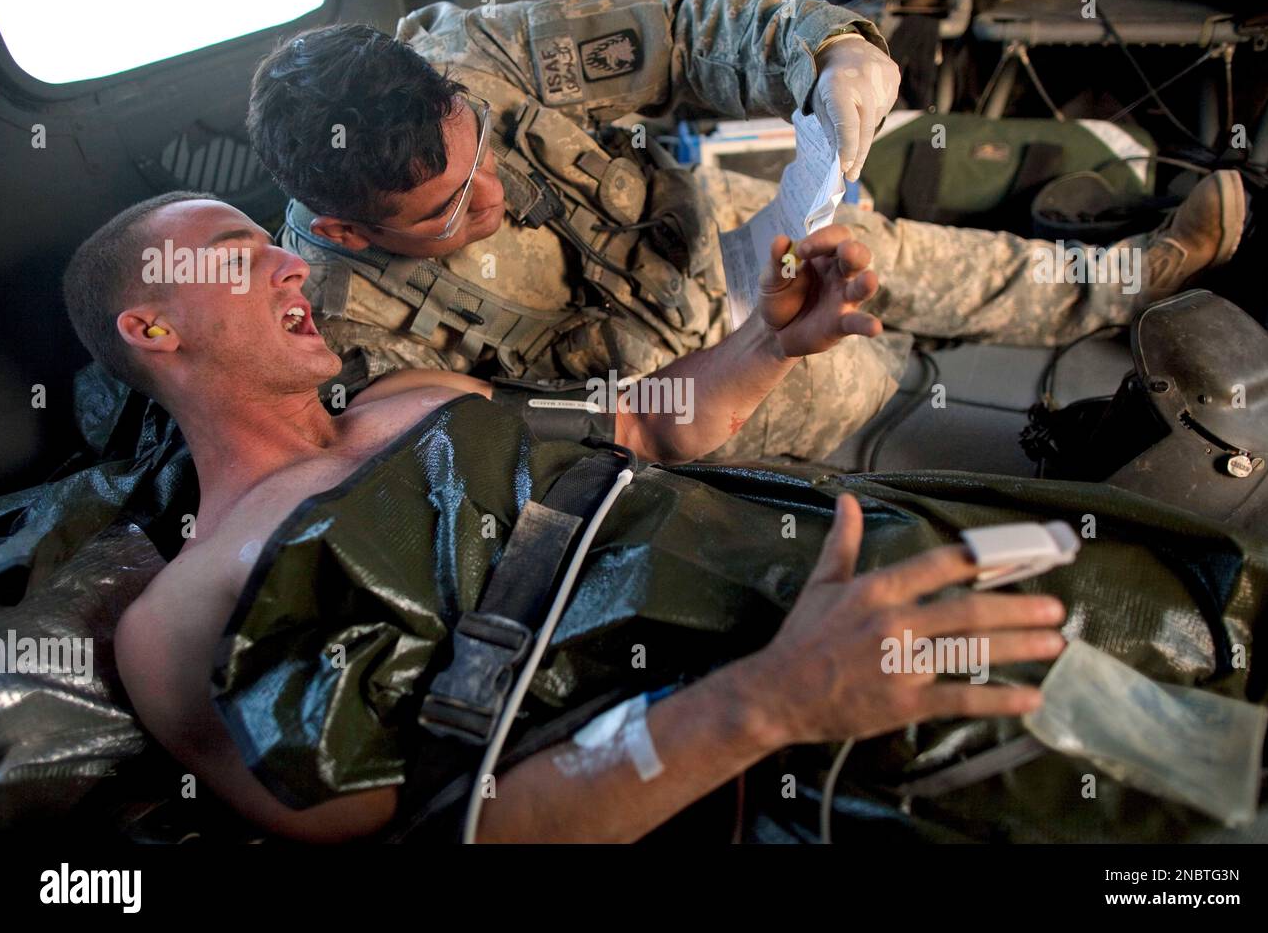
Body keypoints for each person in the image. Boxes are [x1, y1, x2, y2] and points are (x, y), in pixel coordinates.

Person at [65, 193, 1066, 842]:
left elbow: (646, 424)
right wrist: (776, 701)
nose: (289, 263)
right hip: (767, 739)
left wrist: (766, 339)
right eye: (239, 256)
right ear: (152, 329)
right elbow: (434, 837)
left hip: (825, 554)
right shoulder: (176, 620)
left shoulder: (422, 390)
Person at [247, 0, 1246, 464]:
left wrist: (826, 55)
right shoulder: (351, 332)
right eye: (450, 209)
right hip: (696, 394)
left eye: (482, 157)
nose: (491, 195)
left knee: (901, 254)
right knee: (893, 431)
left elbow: (680, 34)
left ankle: (1137, 275)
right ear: (345, 233)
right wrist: (752, 354)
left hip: (713, 236)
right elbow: (543, 452)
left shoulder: (473, 55)